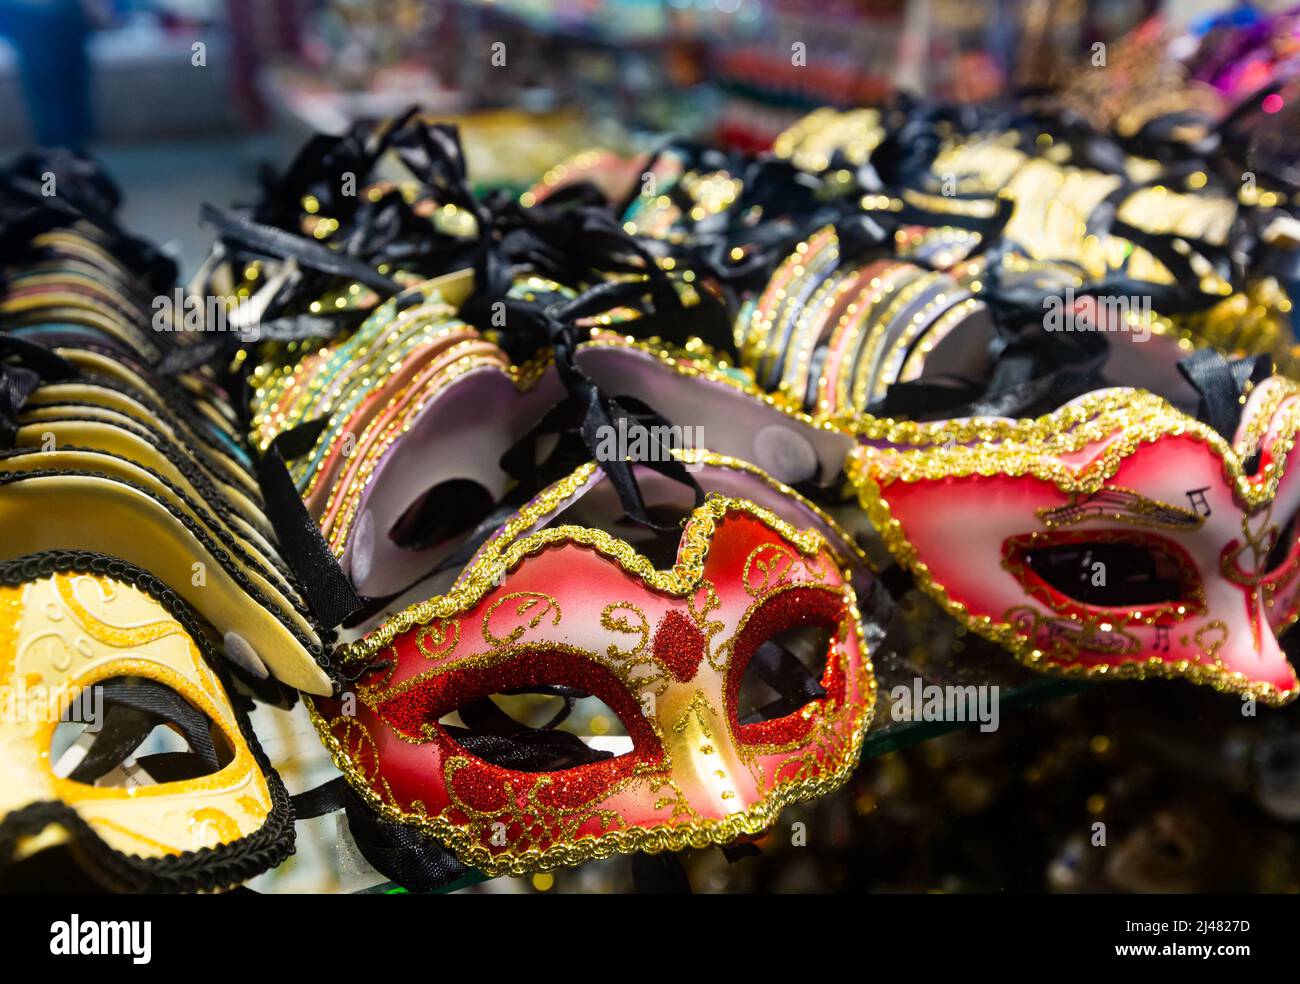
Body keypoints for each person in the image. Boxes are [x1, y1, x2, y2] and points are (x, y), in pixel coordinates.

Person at [0, 0, 95, 148]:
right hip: (31, 12)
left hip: (58, 12)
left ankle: (67, 148)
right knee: (51, 85)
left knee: (66, 84)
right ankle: (63, 148)